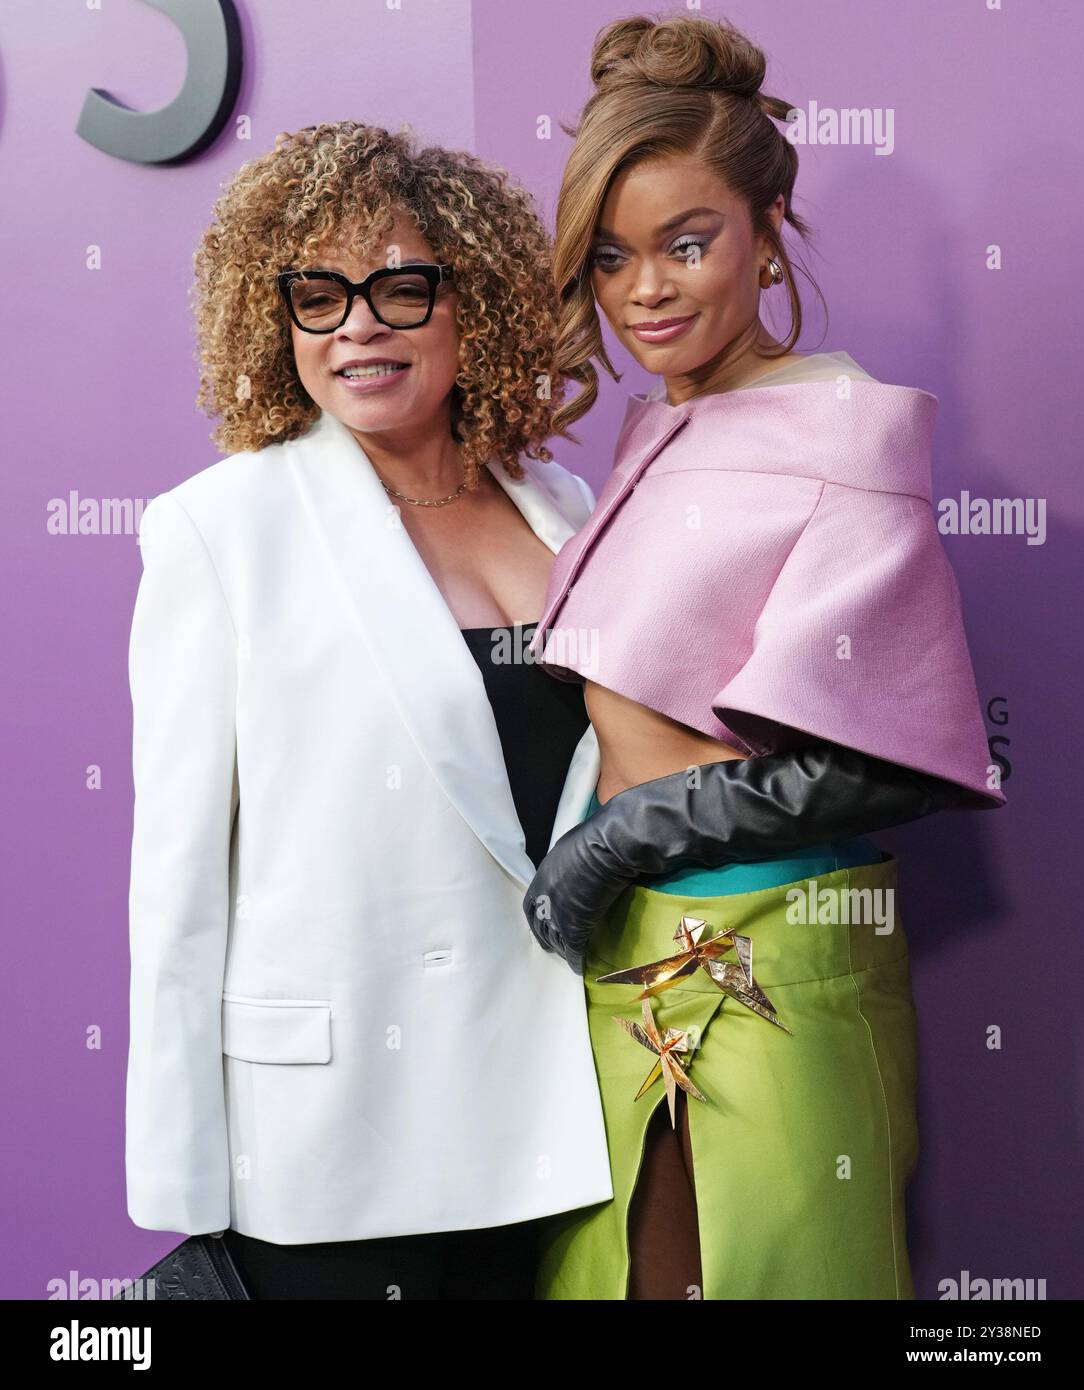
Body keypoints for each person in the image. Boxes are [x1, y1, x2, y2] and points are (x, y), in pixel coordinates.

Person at [522, 14, 1005, 1300]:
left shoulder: (845, 432)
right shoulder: (648, 431)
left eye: (689, 243)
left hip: (752, 959)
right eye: (613, 259)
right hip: (621, 958)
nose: (647, 292)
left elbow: (885, 762)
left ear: (768, 225)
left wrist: (627, 836)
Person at [124, 121, 614, 1300]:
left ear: (475, 302)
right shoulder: (219, 529)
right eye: (319, 293)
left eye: (400, 287)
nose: (357, 325)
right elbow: (179, 885)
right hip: (340, 1141)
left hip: (564, 1111)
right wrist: (184, 1188)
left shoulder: (566, 501)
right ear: (275, 315)